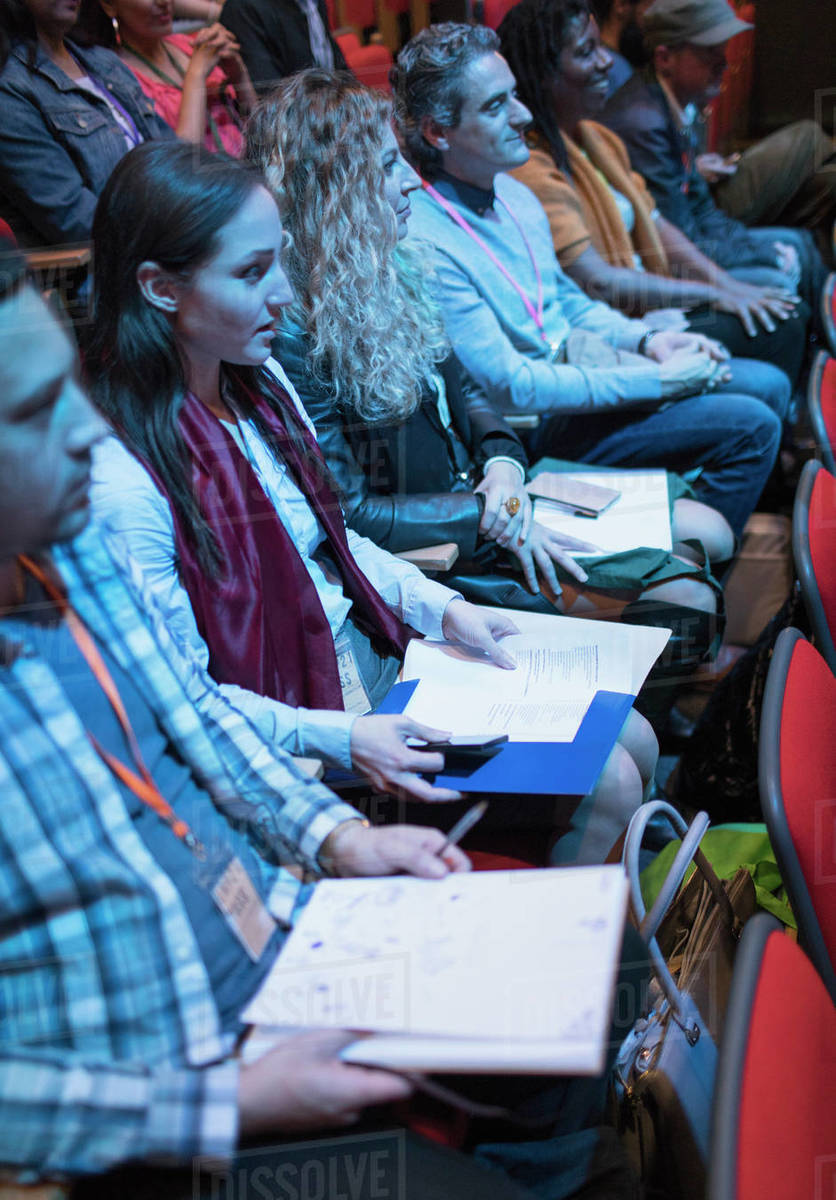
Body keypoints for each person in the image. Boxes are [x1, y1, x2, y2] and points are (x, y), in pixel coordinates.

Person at [0, 245, 651, 1200]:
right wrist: (228, 1105)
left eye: (68, 394)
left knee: (598, 972)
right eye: (30, 412)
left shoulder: (69, 551)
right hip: (168, 1096)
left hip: (287, 943)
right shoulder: (116, 504)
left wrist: (338, 839)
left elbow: (199, 720)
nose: (85, 439)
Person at [85, 140, 656, 863]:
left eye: (281, 261)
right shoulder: (124, 476)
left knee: (631, 731)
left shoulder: (255, 384)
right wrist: (347, 737)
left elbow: (332, 541)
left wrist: (440, 608)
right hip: (310, 730)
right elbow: (181, 701)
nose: (284, 294)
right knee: (612, 778)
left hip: (367, 656)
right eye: (252, 273)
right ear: (161, 289)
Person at [248, 69, 730, 703]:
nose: (413, 182)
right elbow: (350, 515)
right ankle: (637, 725)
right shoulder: (290, 331)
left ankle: (639, 707)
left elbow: (474, 397)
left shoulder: (398, 263)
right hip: (444, 547)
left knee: (709, 534)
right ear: (336, 190)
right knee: (687, 593)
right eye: (389, 166)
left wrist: (503, 468)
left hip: (491, 499)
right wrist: (490, 515)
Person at [392, 22, 790, 541]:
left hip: (582, 375)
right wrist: (659, 380)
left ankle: (690, 544)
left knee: (768, 383)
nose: (524, 114)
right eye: (496, 107)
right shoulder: (426, 238)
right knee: (752, 424)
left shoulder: (513, 195)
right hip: (531, 432)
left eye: (514, 95)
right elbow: (511, 385)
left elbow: (568, 303)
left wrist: (648, 340)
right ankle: (684, 573)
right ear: (437, 132)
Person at [497, 0, 809, 387]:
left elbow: (662, 225)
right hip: (616, 328)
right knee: (784, 321)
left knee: (778, 292)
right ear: (542, 74)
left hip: (647, 300)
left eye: (599, 46)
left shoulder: (596, 139)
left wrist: (728, 287)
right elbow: (599, 281)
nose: (606, 62)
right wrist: (710, 293)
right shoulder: (532, 166)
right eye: (585, 52)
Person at [601, 0, 830, 316]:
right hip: (661, 276)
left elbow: (702, 208)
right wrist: (761, 254)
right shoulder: (644, 122)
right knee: (780, 276)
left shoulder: (672, 104)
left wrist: (756, 248)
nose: (723, 64)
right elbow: (681, 242)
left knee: (801, 243)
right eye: (710, 55)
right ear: (665, 58)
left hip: (693, 245)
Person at [0, 0, 173, 246]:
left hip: (169, 235)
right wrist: (175, 231)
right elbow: (76, 219)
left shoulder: (103, 60)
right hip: (104, 267)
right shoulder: (10, 88)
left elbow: (176, 157)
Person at [79, 0, 256, 154]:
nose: (164, 2)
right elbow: (183, 165)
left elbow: (262, 130)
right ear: (109, 5)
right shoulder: (114, 76)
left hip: (250, 172)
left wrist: (240, 76)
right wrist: (196, 76)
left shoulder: (191, 44)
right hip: (205, 188)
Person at [219, 0, 346, 95]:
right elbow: (271, 102)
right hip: (297, 123)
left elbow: (340, 72)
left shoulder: (311, 3)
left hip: (331, 114)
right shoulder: (244, 10)